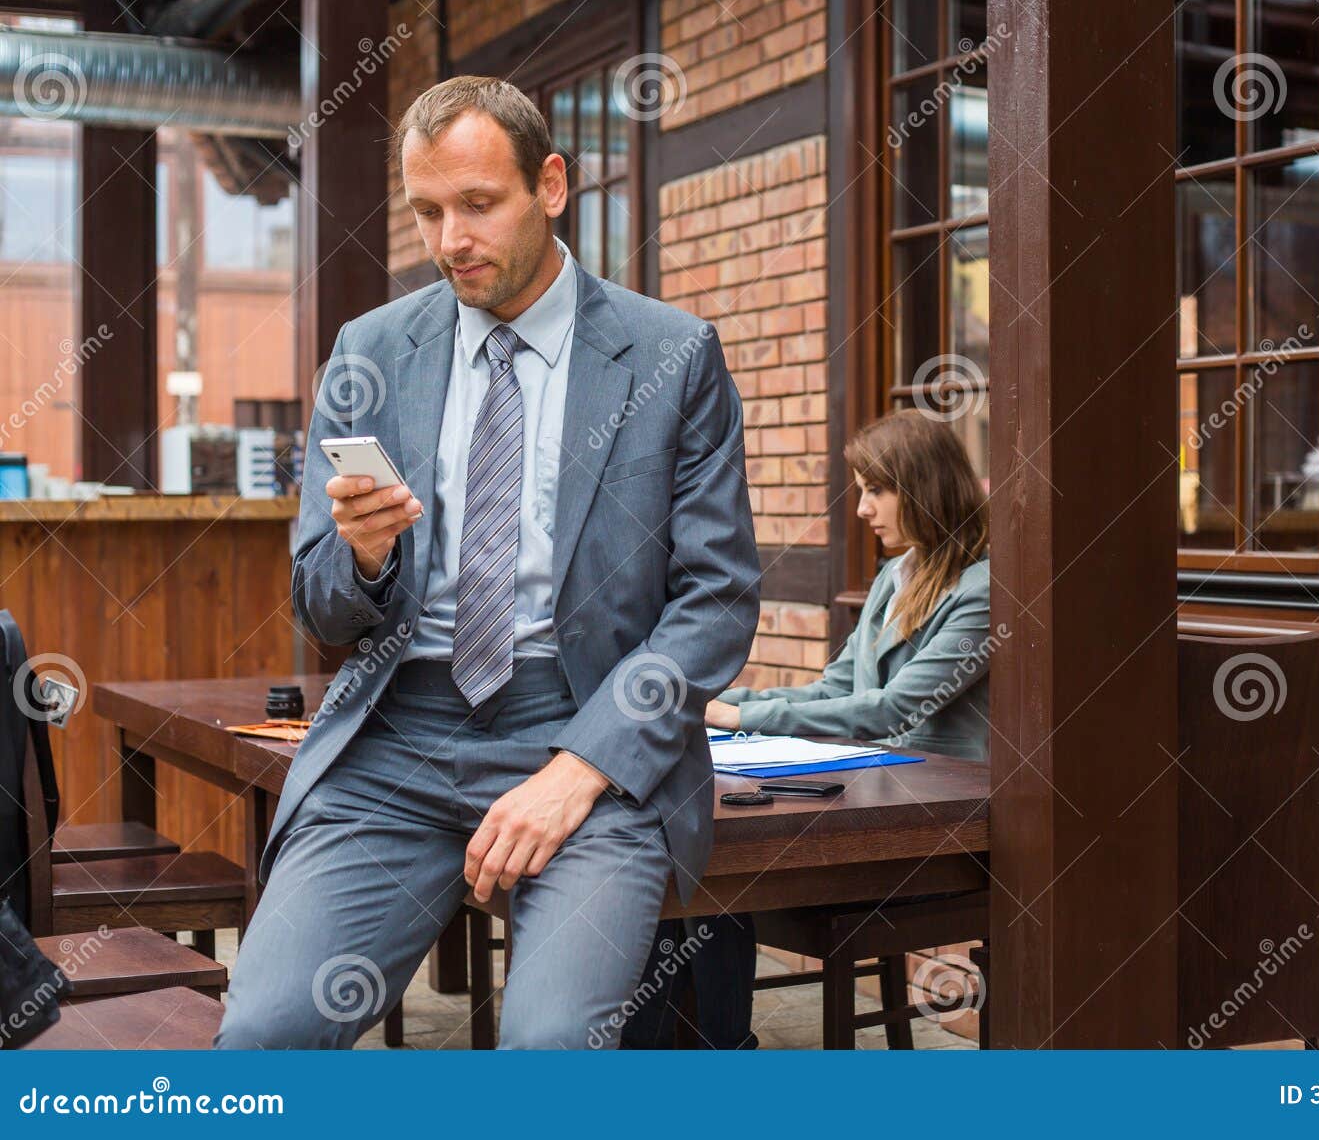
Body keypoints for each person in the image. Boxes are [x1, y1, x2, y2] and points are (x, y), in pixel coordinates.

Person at [214, 76, 759, 1050]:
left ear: (549, 184)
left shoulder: (672, 355)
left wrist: (582, 765)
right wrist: (367, 557)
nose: (449, 239)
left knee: (547, 1050)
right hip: (395, 740)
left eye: (476, 203)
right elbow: (321, 605)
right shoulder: (370, 351)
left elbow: (714, 601)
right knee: (263, 1031)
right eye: (427, 211)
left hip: (585, 732)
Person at [621, 407, 989, 1048]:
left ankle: (713, 1048)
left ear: (924, 486)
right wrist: (718, 700)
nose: (863, 509)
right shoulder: (894, 577)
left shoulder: (981, 591)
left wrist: (743, 715)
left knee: (714, 866)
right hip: (870, 790)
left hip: (935, 818)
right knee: (690, 857)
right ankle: (696, 1048)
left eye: (877, 490)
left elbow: (891, 710)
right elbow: (836, 688)